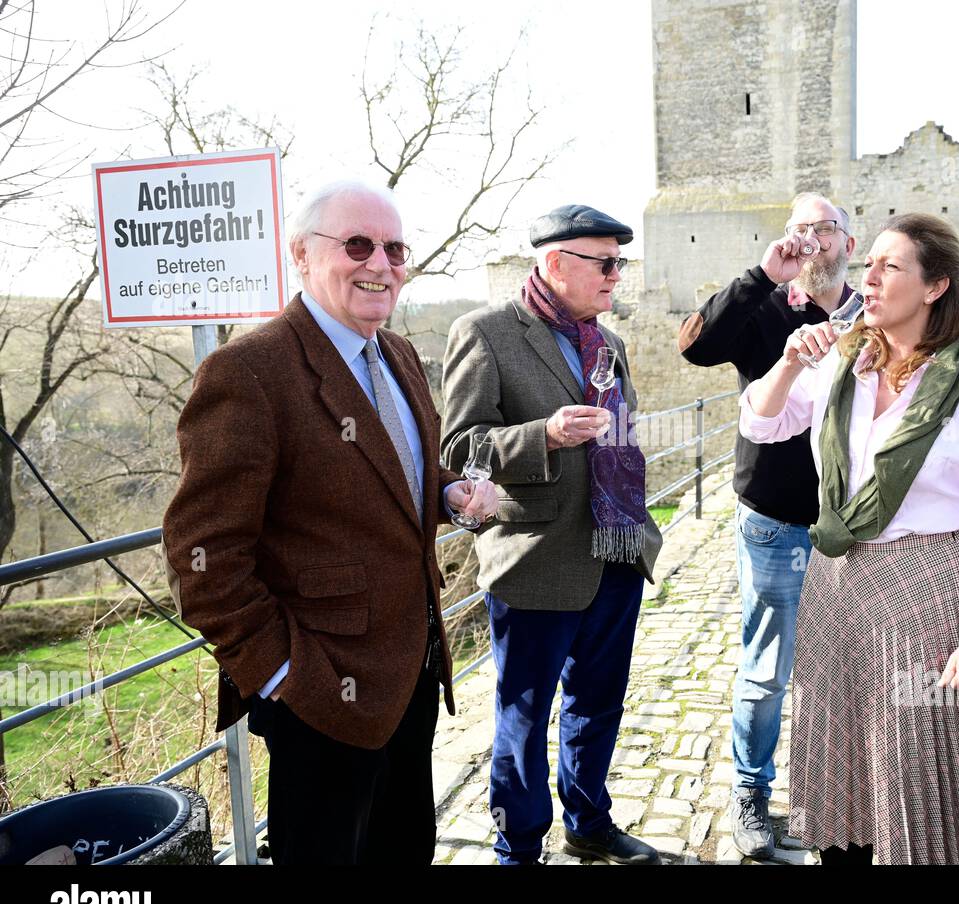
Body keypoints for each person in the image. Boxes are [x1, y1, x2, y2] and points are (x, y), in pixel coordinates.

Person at [163, 180, 497, 865]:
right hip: (320, 696)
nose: (381, 263)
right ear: (301, 256)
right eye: (357, 244)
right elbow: (202, 559)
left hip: (412, 673)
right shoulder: (250, 373)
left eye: (395, 248)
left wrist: (448, 494)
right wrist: (285, 674)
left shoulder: (399, 356)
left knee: (405, 851)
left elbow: (391, 476)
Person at [739, 212, 959, 865]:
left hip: (926, 593)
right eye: (867, 262)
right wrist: (788, 365)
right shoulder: (846, 362)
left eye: (888, 267)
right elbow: (761, 424)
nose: (866, 278)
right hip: (836, 587)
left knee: (916, 765)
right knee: (842, 756)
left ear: (934, 287)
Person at [441, 204, 663, 865]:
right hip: (535, 561)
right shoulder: (484, 333)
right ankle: (518, 848)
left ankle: (589, 824)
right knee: (524, 721)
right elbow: (458, 449)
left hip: (616, 549)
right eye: (605, 262)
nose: (616, 275)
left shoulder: (610, 342)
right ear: (556, 262)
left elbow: (621, 436)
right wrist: (544, 435)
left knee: (598, 705)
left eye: (620, 262)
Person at [679, 192, 856, 858]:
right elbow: (696, 347)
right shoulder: (766, 308)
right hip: (777, 521)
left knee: (838, 672)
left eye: (824, 229)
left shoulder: (872, 313)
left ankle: (829, 794)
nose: (810, 240)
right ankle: (751, 794)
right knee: (767, 671)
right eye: (798, 230)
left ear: (849, 242)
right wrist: (761, 276)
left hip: (855, 530)